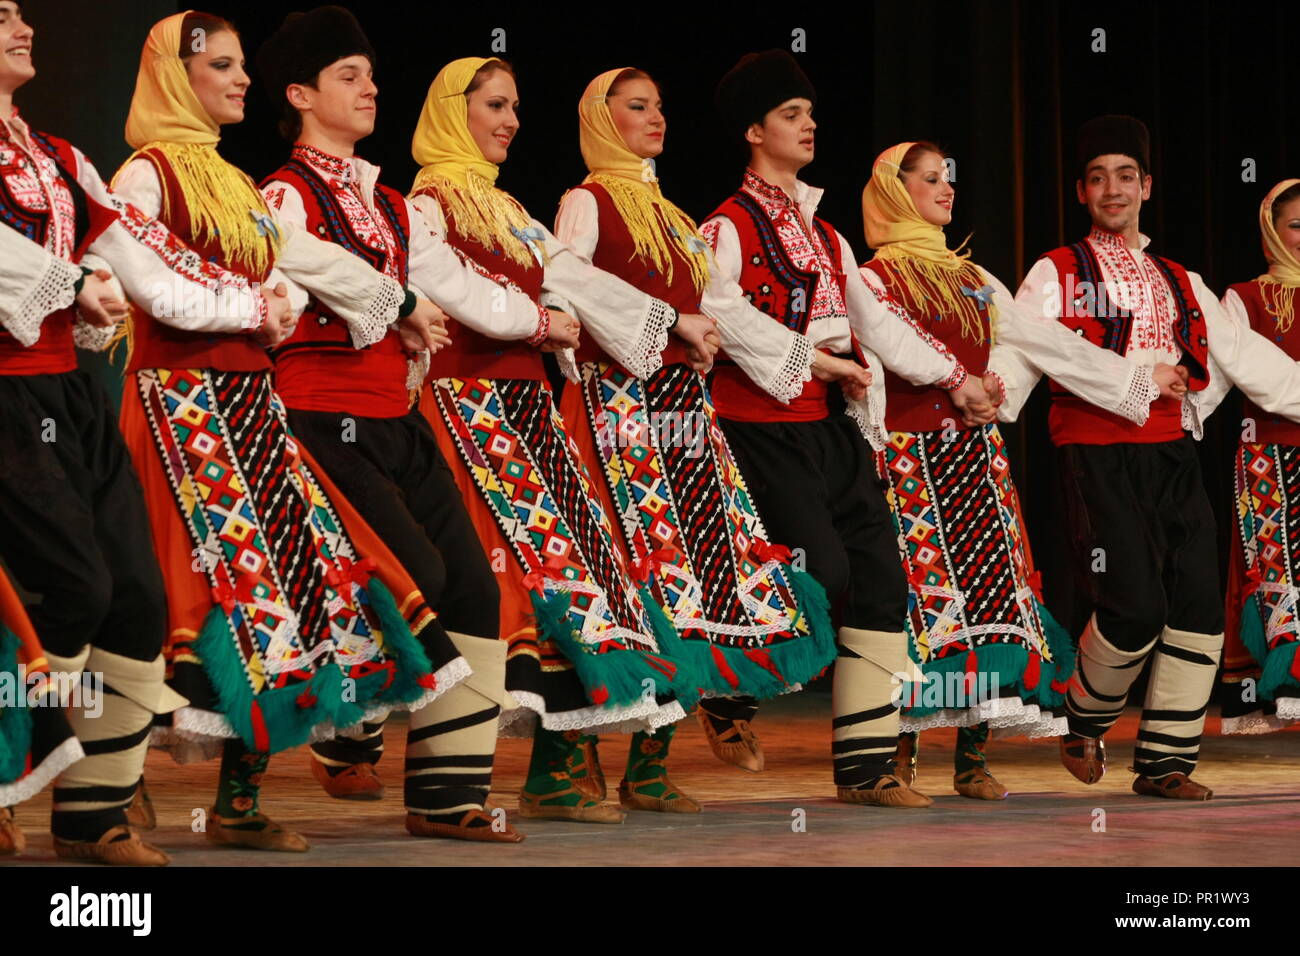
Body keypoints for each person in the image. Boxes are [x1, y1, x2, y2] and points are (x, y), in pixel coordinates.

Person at [111, 11, 453, 849]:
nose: (238, 80)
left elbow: (282, 278)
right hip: (176, 400)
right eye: (219, 66)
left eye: (239, 66)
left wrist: (274, 312)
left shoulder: (230, 182)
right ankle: (106, 790)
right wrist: (251, 307)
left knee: (288, 591)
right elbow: (154, 288)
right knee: (169, 596)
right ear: (171, 78)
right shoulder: (141, 176)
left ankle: (238, 799)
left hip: (250, 402)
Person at [254, 6, 558, 841]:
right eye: (348, 77)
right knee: (407, 576)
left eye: (372, 77)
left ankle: (446, 796)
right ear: (300, 94)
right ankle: (334, 735)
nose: (368, 90)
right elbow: (297, 264)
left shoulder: (392, 203)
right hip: (323, 416)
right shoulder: (285, 190)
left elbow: (449, 291)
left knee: (469, 582)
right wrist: (403, 305)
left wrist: (484, 321)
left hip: (399, 415)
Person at [0, 0, 289, 865]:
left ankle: (93, 813)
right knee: (68, 589)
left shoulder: (59, 156)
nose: (23, 26)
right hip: (7, 394)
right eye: (2, 16)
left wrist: (93, 275)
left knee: (134, 597)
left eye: (22, 13)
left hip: (66, 389)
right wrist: (68, 276)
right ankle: (12, 768)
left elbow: (129, 249)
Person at [409, 56, 718, 823]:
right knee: (493, 591)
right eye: (493, 105)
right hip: (466, 406)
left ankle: (554, 772)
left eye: (514, 105)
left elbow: (562, 279)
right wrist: (545, 323)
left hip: (530, 412)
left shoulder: (510, 208)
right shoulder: (426, 202)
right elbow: (469, 291)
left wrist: (651, 323)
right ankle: (448, 784)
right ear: (454, 111)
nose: (510, 120)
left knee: (576, 583)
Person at [551, 66, 852, 811]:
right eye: (636, 107)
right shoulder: (584, 203)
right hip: (613, 407)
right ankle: (563, 765)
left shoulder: (677, 217)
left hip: (681, 413)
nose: (655, 118)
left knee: (692, 577)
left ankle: (651, 762)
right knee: (614, 578)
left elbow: (715, 302)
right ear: (600, 119)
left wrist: (714, 332)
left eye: (658, 106)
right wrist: (667, 323)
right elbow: (565, 286)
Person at [699, 50, 994, 807]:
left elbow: (878, 324)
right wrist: (811, 360)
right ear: (754, 131)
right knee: (818, 573)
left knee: (881, 583)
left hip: (834, 429)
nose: (808, 126)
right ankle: (728, 694)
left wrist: (956, 379)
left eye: (809, 114)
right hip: (760, 424)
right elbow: (721, 313)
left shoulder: (827, 237)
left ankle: (865, 771)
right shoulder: (726, 225)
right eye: (791, 116)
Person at [860, 140, 1183, 798]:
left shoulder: (974, 277)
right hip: (907, 454)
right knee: (921, 608)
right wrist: (958, 382)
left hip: (974, 455)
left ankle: (972, 757)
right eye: (929, 180)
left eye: (948, 178)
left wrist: (999, 389)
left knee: (993, 596)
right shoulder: (871, 278)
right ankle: (899, 754)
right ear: (896, 192)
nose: (946, 190)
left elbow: (1039, 341)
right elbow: (890, 346)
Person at [1015, 115, 1300, 799]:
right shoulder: (1055, 273)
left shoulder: (1182, 279)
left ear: (1145, 186)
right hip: (1094, 451)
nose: (1112, 189)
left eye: (1125, 175)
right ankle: (1084, 714)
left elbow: (1247, 357)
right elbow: (1028, 344)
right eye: (1096, 178)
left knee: (1198, 602)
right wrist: (990, 394)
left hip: (1169, 452)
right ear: (1083, 193)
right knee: (1134, 602)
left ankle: (1167, 763)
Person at [1218, 178, 1300, 735]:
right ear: (1273, 229)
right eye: (1297, 225)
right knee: (1275, 568)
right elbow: (1253, 377)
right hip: (1271, 455)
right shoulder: (1243, 298)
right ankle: (1278, 690)